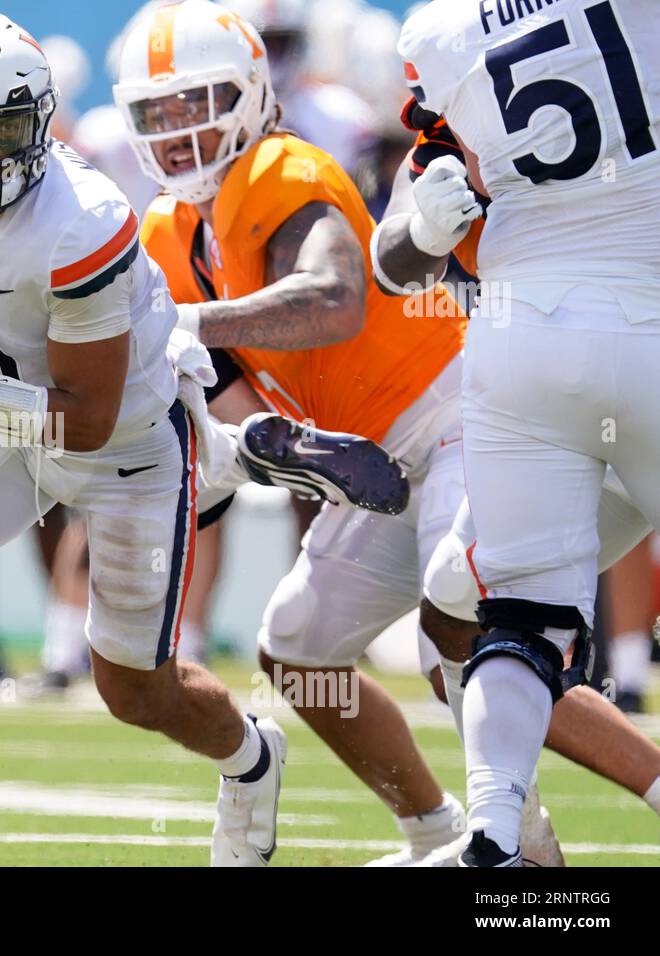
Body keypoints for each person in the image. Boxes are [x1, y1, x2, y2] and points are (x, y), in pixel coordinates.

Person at [0, 10, 409, 868]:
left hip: (122, 441)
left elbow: (83, 415)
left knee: (135, 690)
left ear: (41, 123)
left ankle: (250, 755)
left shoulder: (83, 224)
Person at [114, 0, 487, 864]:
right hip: (373, 454)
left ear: (248, 96)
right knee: (299, 649)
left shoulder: (281, 167)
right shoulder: (167, 231)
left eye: (196, 103)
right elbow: (240, 402)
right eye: (157, 114)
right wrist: (276, 453)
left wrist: (187, 326)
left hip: (450, 415)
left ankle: (521, 840)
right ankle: (438, 833)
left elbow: (330, 301)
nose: (177, 131)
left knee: (464, 635)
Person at [397, 0, 660, 866]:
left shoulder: (442, 33)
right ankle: (513, 848)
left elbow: (393, 268)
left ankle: (492, 833)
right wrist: (424, 228)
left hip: (527, 342)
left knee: (515, 619)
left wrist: (422, 232)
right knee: (451, 609)